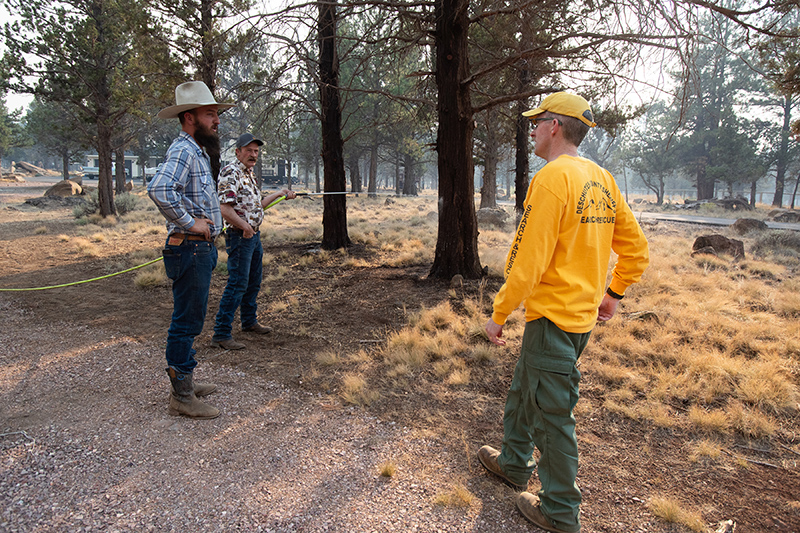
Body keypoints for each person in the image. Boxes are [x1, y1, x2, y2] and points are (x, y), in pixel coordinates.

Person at [478, 92, 649, 533]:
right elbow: (637, 251)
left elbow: (525, 260)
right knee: (524, 387)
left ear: (555, 126)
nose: (531, 129)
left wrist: (499, 312)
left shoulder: (553, 178)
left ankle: (559, 511)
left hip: (553, 319)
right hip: (574, 323)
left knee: (554, 417)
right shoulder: (603, 180)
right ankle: (514, 461)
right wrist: (613, 293)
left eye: (537, 122)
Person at [147, 81, 235, 420]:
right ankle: (181, 396)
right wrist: (191, 223)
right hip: (190, 249)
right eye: (210, 114)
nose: (216, 121)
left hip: (199, 250)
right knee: (186, 321)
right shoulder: (184, 150)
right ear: (189, 117)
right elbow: (160, 189)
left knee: (191, 318)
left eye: (216, 114)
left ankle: (185, 382)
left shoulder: (196, 149)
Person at [211, 133, 297, 350]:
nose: (253, 155)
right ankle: (221, 333)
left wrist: (280, 193)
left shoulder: (249, 174)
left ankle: (249, 322)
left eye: (256, 151)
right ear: (238, 151)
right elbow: (225, 209)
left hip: (253, 235)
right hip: (240, 236)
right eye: (248, 150)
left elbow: (258, 204)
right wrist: (245, 227)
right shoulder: (230, 173)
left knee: (253, 281)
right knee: (237, 284)